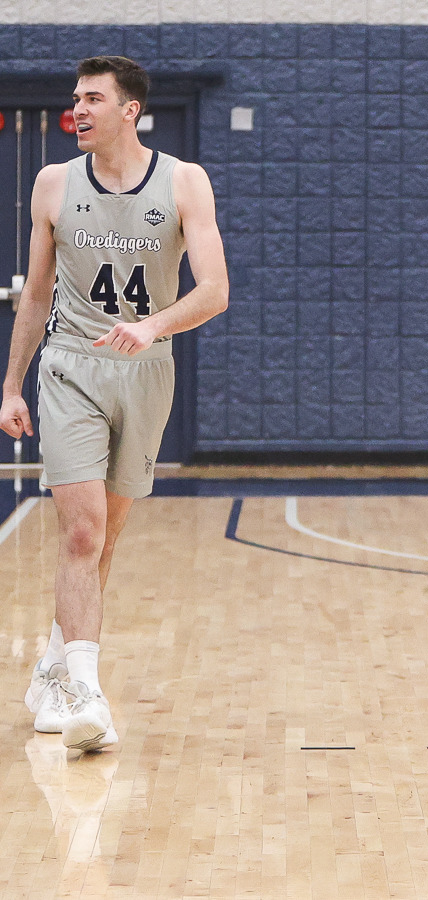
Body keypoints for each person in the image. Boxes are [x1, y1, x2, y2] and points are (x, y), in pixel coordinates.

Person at [2, 56, 229, 752]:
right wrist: (12, 383)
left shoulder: (185, 181)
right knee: (79, 533)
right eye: (76, 99)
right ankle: (86, 696)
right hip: (71, 368)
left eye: (93, 99)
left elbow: (214, 291)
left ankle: (54, 660)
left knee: (103, 540)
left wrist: (154, 325)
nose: (79, 110)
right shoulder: (52, 185)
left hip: (145, 371)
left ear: (129, 110)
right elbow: (36, 296)